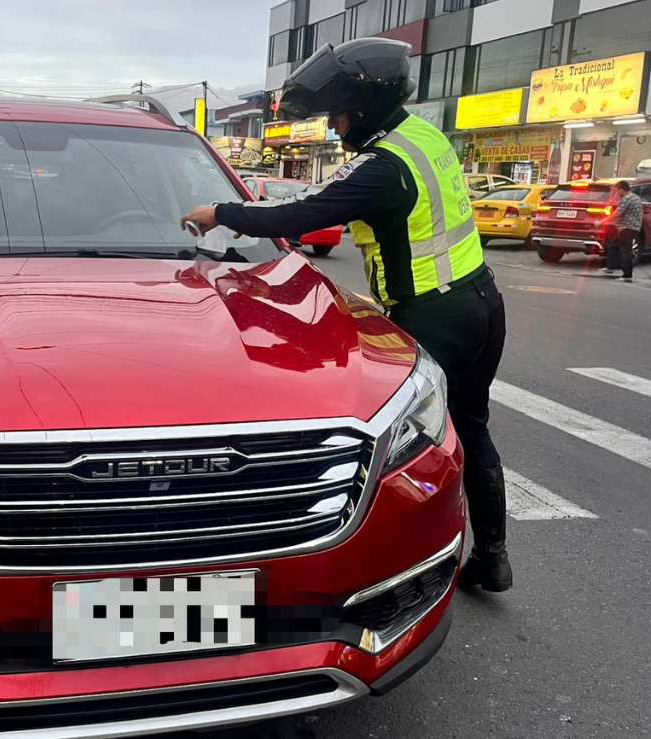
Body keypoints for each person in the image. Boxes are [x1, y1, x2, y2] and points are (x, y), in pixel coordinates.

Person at [180, 38, 512, 592]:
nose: (333, 127)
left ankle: (404, 571)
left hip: (434, 314)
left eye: (336, 115)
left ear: (362, 108)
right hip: (481, 304)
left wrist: (220, 211)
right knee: (472, 426)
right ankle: (493, 557)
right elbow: (320, 201)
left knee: (415, 445)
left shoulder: (383, 166)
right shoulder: (422, 137)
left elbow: (306, 213)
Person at [603, 181, 642, 281]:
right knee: (613, 247)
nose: (617, 193)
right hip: (632, 227)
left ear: (621, 189)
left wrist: (602, 221)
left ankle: (627, 275)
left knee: (626, 251)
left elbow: (617, 213)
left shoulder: (626, 199)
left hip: (626, 228)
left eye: (617, 190)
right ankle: (610, 267)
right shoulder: (636, 198)